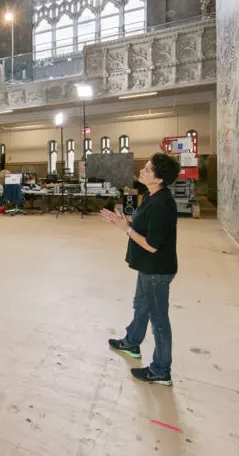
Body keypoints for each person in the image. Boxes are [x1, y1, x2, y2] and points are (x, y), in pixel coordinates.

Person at [100, 153, 182, 386]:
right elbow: (140, 225)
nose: (142, 172)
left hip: (157, 270)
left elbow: (152, 245)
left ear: (159, 179)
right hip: (148, 268)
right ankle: (132, 342)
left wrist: (124, 229)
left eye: (147, 170)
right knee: (141, 306)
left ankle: (161, 370)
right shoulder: (151, 196)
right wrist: (124, 221)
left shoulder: (162, 204)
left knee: (158, 320)